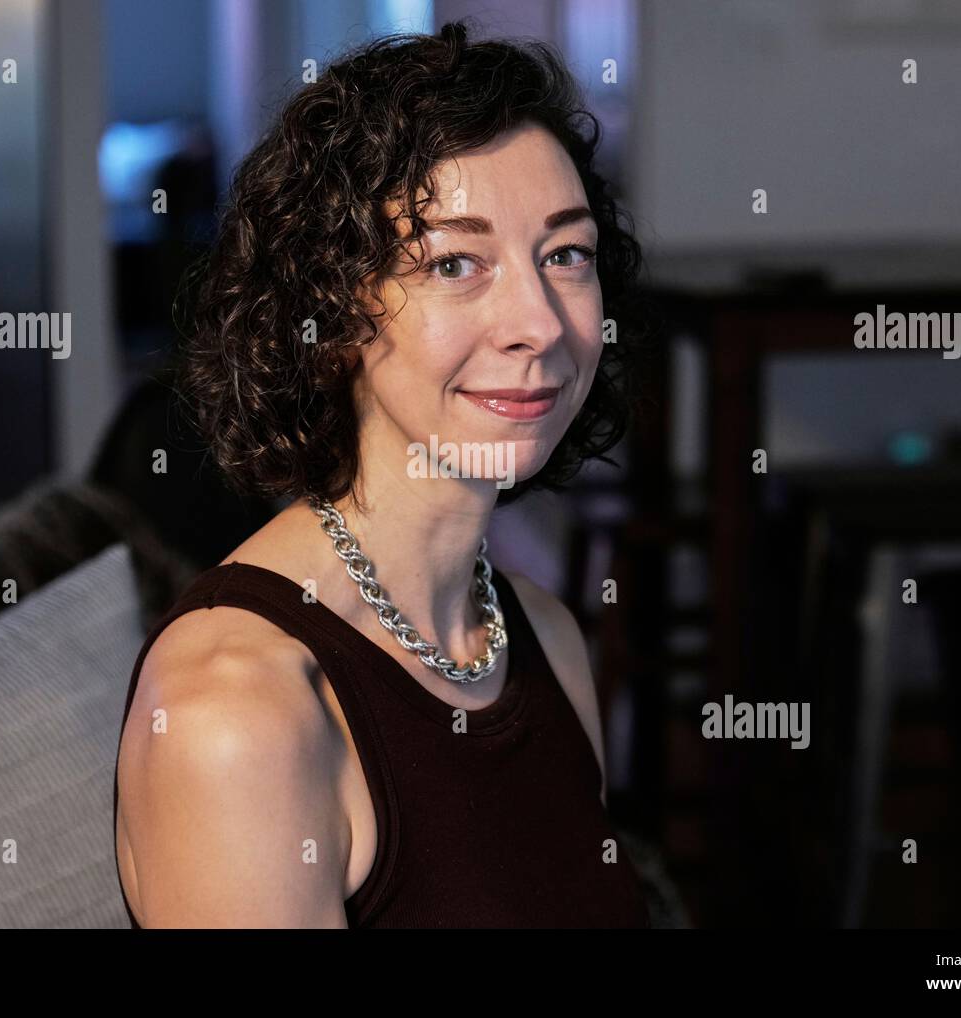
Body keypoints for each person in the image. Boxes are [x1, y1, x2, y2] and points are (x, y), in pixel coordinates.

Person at [112, 19, 652, 928]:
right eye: (455, 262)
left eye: (566, 254)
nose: (542, 323)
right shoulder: (235, 712)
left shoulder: (547, 640)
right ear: (332, 309)